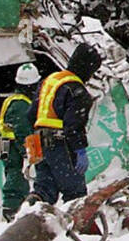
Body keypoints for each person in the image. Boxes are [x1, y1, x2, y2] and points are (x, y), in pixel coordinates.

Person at [28, 43, 101, 204]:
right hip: (61, 145)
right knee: (75, 193)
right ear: (88, 69)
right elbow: (73, 126)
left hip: (40, 143)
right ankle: (76, 227)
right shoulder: (77, 91)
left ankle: (30, 218)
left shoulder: (49, 81)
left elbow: (31, 114)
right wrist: (80, 150)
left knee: (44, 191)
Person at [0, 63, 40, 221]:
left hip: (2, 143)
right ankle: (11, 212)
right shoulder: (21, 104)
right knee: (16, 177)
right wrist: (30, 153)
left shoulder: (14, 99)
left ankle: (12, 209)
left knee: (12, 175)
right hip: (10, 145)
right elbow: (23, 132)